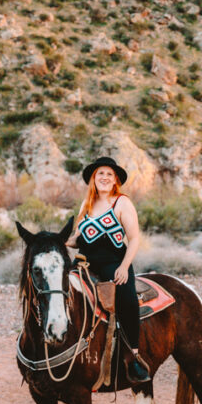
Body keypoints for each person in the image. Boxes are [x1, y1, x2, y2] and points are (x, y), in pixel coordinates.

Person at [67, 156, 150, 384]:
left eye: (109, 174)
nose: (104, 177)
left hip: (113, 263)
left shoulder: (121, 202)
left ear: (115, 181)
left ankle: (133, 356)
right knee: (61, 291)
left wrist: (124, 267)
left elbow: (133, 239)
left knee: (127, 299)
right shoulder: (87, 204)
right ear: (94, 178)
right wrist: (62, 241)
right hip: (84, 262)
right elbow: (79, 238)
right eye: (100, 173)